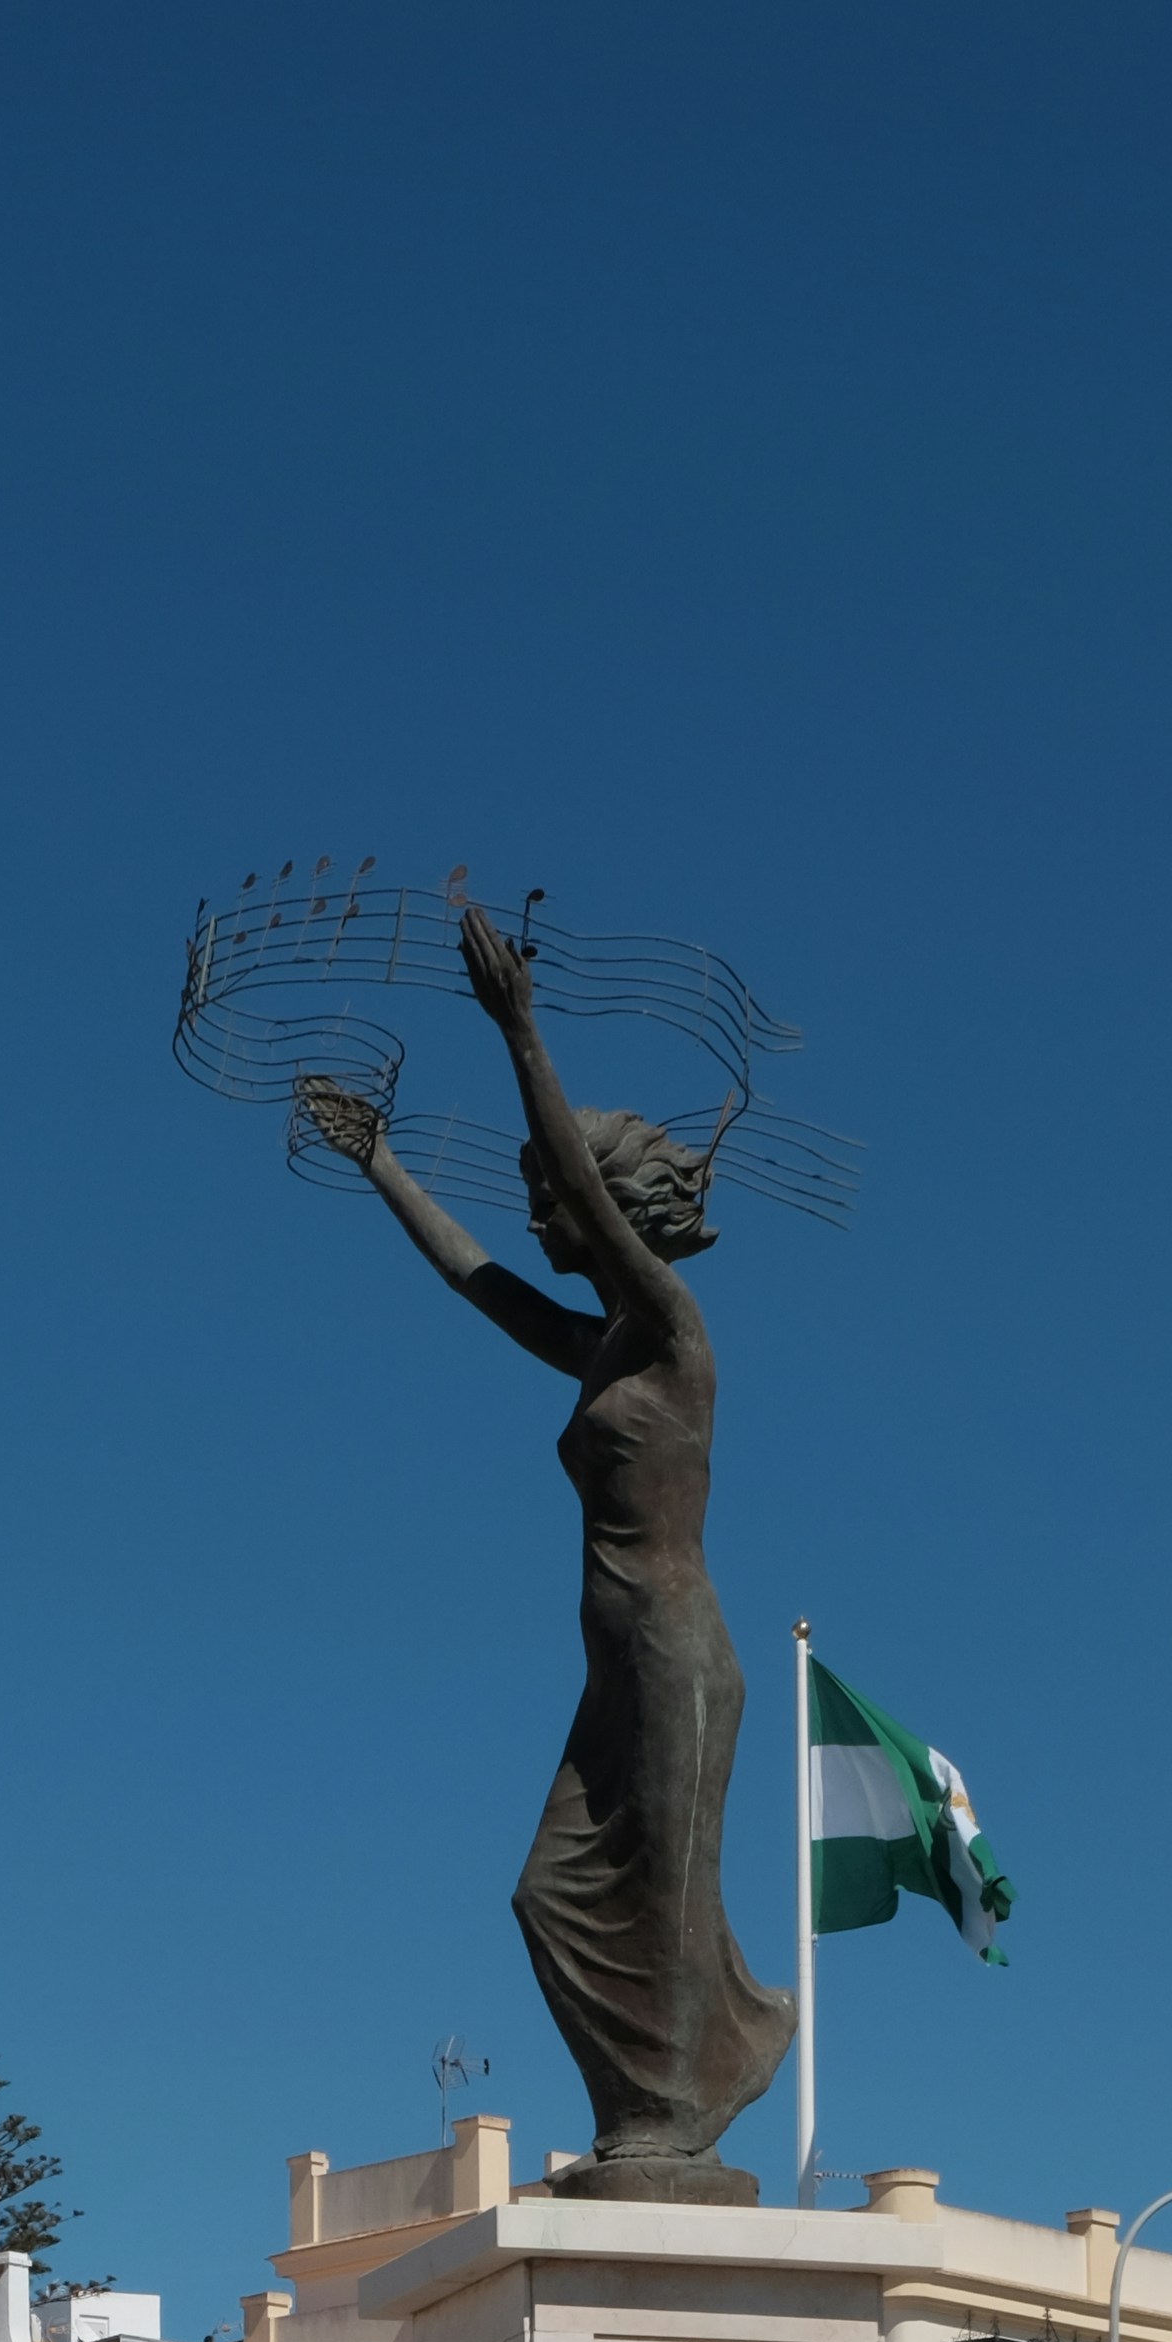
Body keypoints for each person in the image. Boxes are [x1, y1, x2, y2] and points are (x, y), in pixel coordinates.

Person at [300, 902, 790, 2193]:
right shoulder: (600, 1354)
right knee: (553, 1893)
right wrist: (383, 1167)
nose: (544, 1224)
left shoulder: (676, 1331)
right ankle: (652, 2104)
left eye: (562, 1204)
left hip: (680, 1655)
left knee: (668, 1904)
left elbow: (583, 1202)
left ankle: (670, 2122)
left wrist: (519, 1029)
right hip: (617, 1665)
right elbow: (479, 1282)